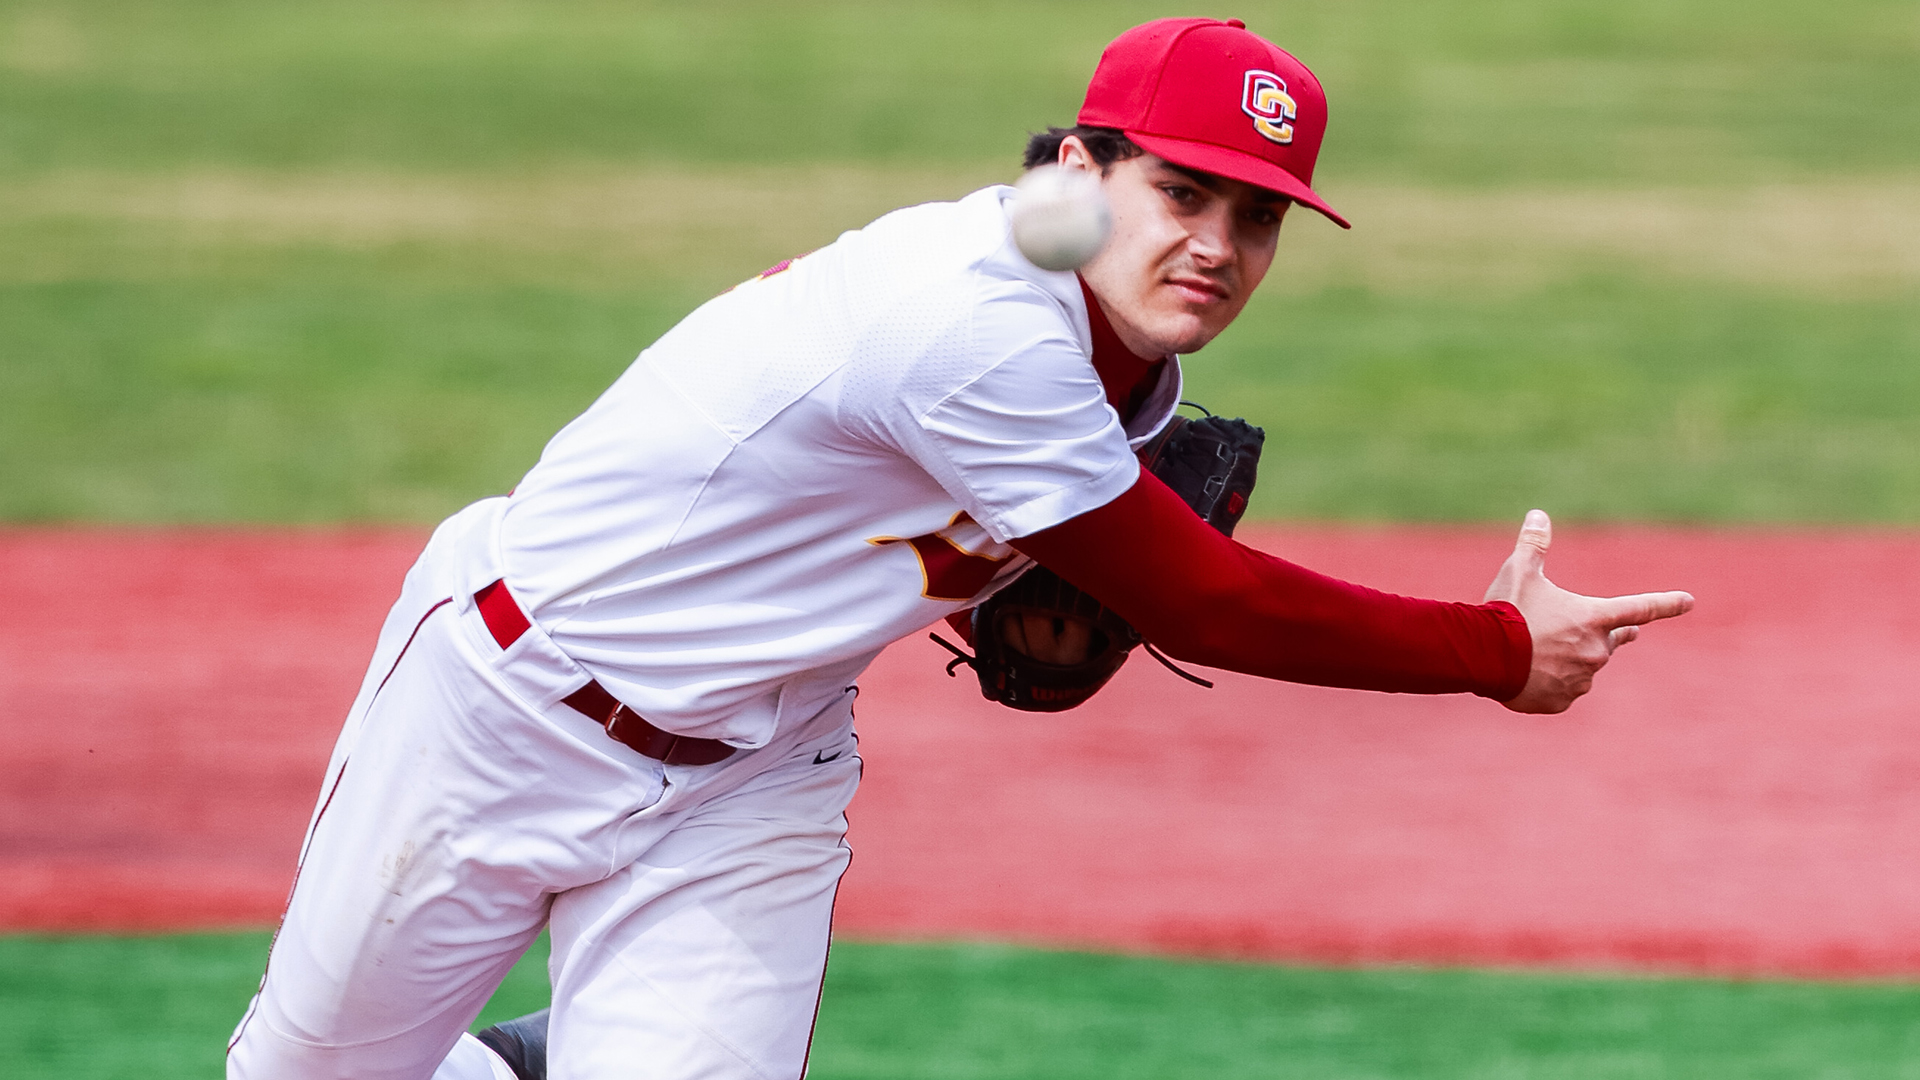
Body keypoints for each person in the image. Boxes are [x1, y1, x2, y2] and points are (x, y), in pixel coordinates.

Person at [226, 17, 1692, 1080]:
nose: (1221, 248)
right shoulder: (973, 317)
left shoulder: (1127, 370)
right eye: (1182, 193)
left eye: (1260, 217)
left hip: (752, 771)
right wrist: (1497, 651)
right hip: (504, 709)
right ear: (1076, 172)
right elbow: (1203, 597)